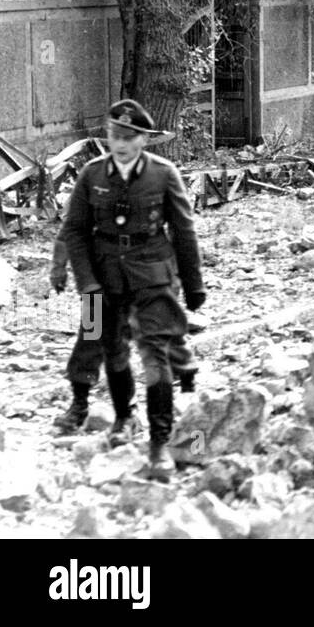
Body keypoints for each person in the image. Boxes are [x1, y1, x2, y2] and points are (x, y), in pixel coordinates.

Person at [59, 100, 206, 481]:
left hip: (152, 275)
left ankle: (160, 442)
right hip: (99, 279)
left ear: (143, 139)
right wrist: (83, 280)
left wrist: (194, 287)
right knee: (99, 341)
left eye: (128, 137)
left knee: (155, 352)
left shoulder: (163, 174)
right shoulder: (91, 175)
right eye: (114, 135)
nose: (120, 144)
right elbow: (73, 231)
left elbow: (184, 231)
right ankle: (108, 412)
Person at [49, 227, 198, 436]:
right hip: (99, 280)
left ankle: (181, 399)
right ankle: (81, 404)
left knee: (161, 336)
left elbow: (179, 232)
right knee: (90, 337)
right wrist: (58, 267)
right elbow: (69, 231)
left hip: (145, 276)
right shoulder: (89, 196)